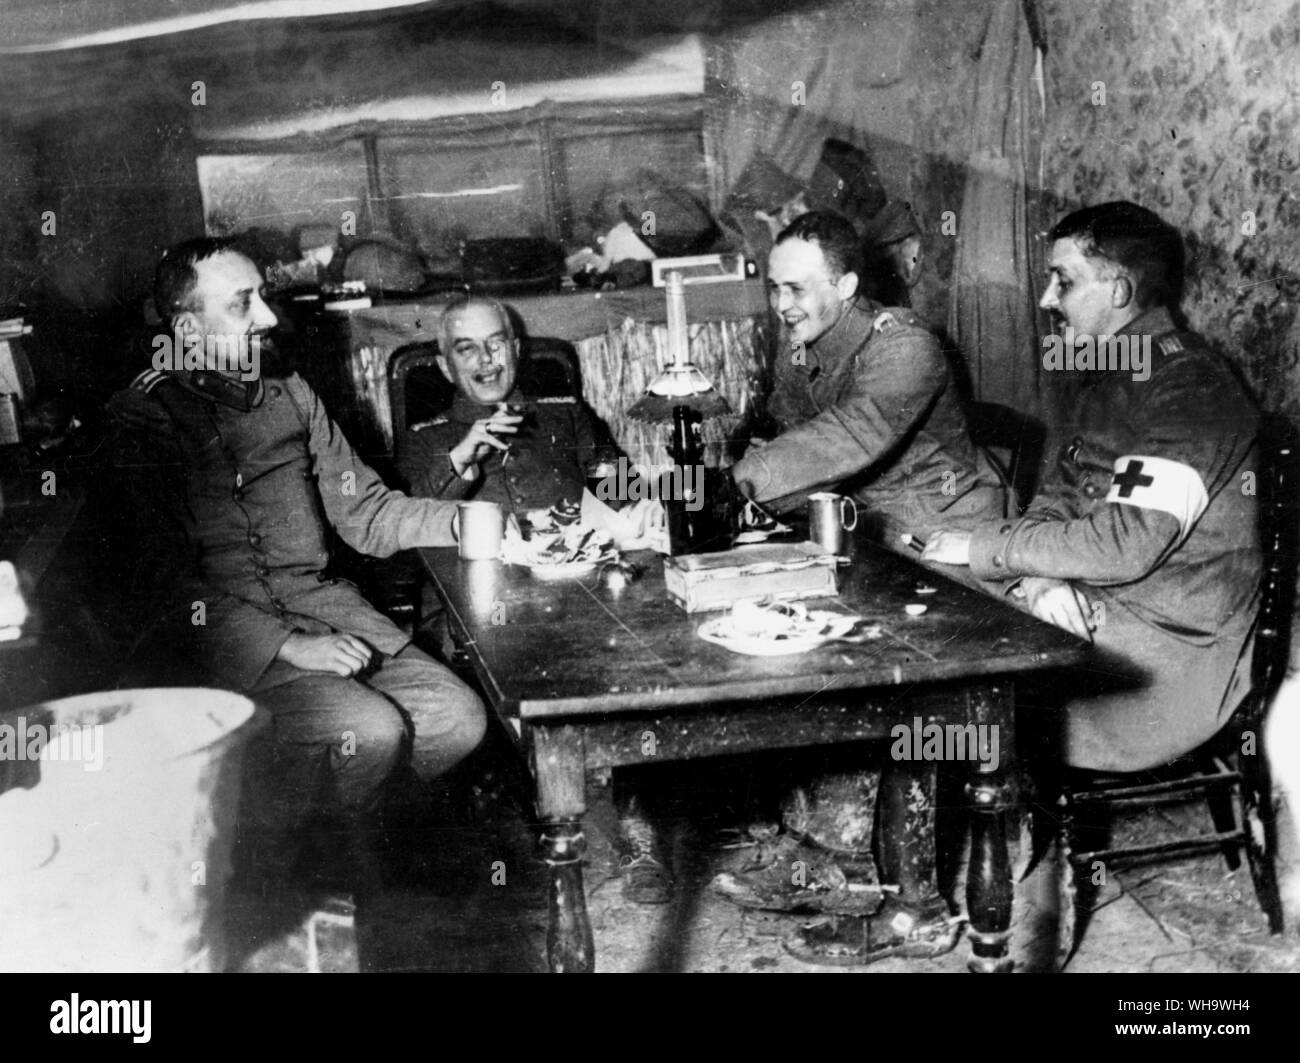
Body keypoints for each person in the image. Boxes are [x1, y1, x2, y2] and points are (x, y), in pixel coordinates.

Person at [102, 237, 487, 898]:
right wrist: (290, 647)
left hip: (323, 608)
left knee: (459, 717)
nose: (270, 319)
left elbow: (362, 509)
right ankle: (293, 881)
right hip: (222, 645)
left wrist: (460, 522)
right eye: (243, 304)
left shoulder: (290, 392)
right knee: (369, 729)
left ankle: (323, 845)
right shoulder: (146, 416)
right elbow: (162, 587)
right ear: (189, 329)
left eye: (264, 298)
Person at [714, 211, 1007, 965]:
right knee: (784, 643)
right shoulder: (804, 346)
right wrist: (729, 480)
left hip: (944, 538)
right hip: (867, 534)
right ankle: (829, 857)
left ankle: (918, 906)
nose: (782, 305)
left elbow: (847, 435)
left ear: (845, 285)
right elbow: (781, 435)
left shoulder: (905, 347)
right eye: (774, 288)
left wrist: (732, 488)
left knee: (896, 687)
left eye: (797, 289)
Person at [923, 201, 1261, 776]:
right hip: (1106, 600)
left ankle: (1003, 840)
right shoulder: (1118, 373)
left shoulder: (1190, 388)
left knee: (956, 666)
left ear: (1120, 291)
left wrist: (995, 551)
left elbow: (1127, 540)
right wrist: (1037, 575)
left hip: (1167, 650)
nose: (1046, 300)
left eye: (1064, 280)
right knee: (929, 594)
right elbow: (1061, 498)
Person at [394, 294, 673, 906]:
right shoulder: (427, 441)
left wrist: (641, 505)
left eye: (497, 343)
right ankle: (565, 832)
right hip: (484, 606)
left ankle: (634, 823)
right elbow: (412, 515)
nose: (487, 360)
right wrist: (462, 457)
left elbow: (614, 481)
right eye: (467, 349)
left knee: (642, 657)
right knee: (533, 703)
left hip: (588, 588)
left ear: (516, 350)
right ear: (446, 366)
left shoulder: (563, 413)